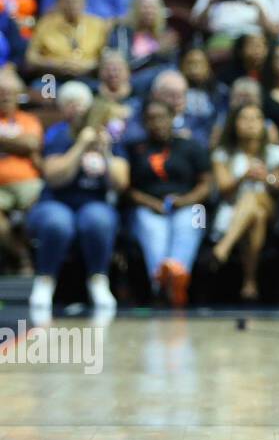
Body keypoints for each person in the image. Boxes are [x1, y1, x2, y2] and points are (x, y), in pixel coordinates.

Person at [27, 94, 126, 313]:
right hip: (55, 202)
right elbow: (53, 176)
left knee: (98, 219)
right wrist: (81, 146)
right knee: (58, 222)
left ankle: (98, 279)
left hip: (94, 204)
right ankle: (45, 279)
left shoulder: (112, 143)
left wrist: (106, 153)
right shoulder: (62, 136)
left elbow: (120, 183)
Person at [127, 99, 212, 305]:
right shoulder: (135, 149)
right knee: (153, 230)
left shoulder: (191, 146)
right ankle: (164, 283)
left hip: (188, 205)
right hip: (147, 206)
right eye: (151, 119)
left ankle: (174, 274)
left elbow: (207, 184)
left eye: (162, 118)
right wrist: (151, 203)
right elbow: (127, 189)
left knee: (190, 220)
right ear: (145, 122)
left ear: (172, 118)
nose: (157, 123)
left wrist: (185, 201)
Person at [209, 102, 279, 301]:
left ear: (264, 125)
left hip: (270, 207)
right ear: (234, 124)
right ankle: (250, 281)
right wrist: (243, 177)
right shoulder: (223, 154)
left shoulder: (274, 152)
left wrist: (265, 177)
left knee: (255, 200)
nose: (250, 123)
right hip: (233, 208)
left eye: (256, 119)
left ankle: (223, 248)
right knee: (255, 215)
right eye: (244, 118)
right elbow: (224, 189)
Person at [0, 67, 43, 272]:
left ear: (18, 96)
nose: (5, 96)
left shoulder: (29, 120)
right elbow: (23, 145)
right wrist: (16, 144)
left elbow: (31, 144)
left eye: (9, 92)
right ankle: (21, 255)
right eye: (0, 92)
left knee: (40, 206)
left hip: (28, 183)